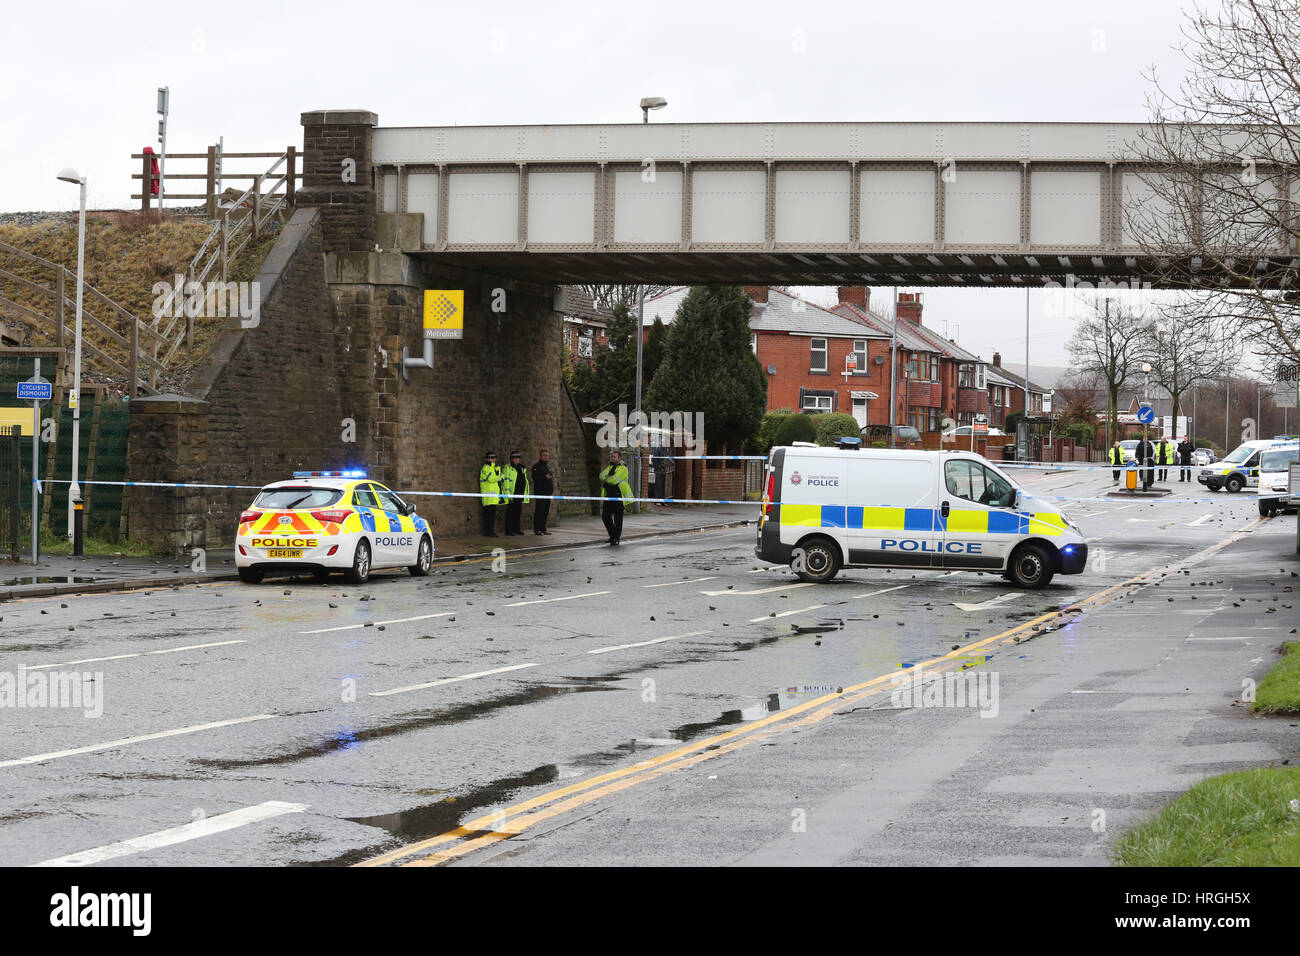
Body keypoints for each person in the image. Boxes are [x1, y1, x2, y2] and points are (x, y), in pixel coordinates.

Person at [598, 449, 633, 545]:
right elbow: (601, 476)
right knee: (605, 517)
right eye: (612, 456)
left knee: (618, 519)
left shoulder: (623, 469)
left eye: (615, 457)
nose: (613, 458)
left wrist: (607, 478)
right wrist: (607, 478)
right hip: (608, 496)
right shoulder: (610, 467)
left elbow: (614, 480)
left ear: (619, 458)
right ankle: (612, 535)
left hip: (618, 496)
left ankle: (616, 538)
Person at [500, 451, 531, 535]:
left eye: (518, 458)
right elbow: (506, 481)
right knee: (510, 513)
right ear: (511, 459)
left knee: (518, 512)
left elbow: (525, 480)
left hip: (520, 493)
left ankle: (516, 529)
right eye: (515, 458)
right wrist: (508, 495)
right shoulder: (508, 468)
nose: (517, 460)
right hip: (511, 494)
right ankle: (509, 531)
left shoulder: (522, 467)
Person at [478, 452, 503, 537]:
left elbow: (499, 477)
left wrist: (498, 475)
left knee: (492, 515)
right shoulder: (486, 468)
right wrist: (499, 476)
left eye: (494, 458)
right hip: (487, 496)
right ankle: (488, 532)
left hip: (494, 496)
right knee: (488, 515)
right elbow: (491, 479)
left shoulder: (494, 468)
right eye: (491, 458)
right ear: (486, 459)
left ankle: (491, 531)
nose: (493, 460)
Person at [532, 449, 555, 535]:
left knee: (545, 512)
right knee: (539, 511)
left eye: (547, 456)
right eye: (544, 455)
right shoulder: (536, 467)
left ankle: (543, 529)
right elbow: (534, 478)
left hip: (547, 493)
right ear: (540, 456)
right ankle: (537, 529)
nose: (546, 457)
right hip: (540, 493)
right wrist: (545, 477)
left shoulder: (547, 467)